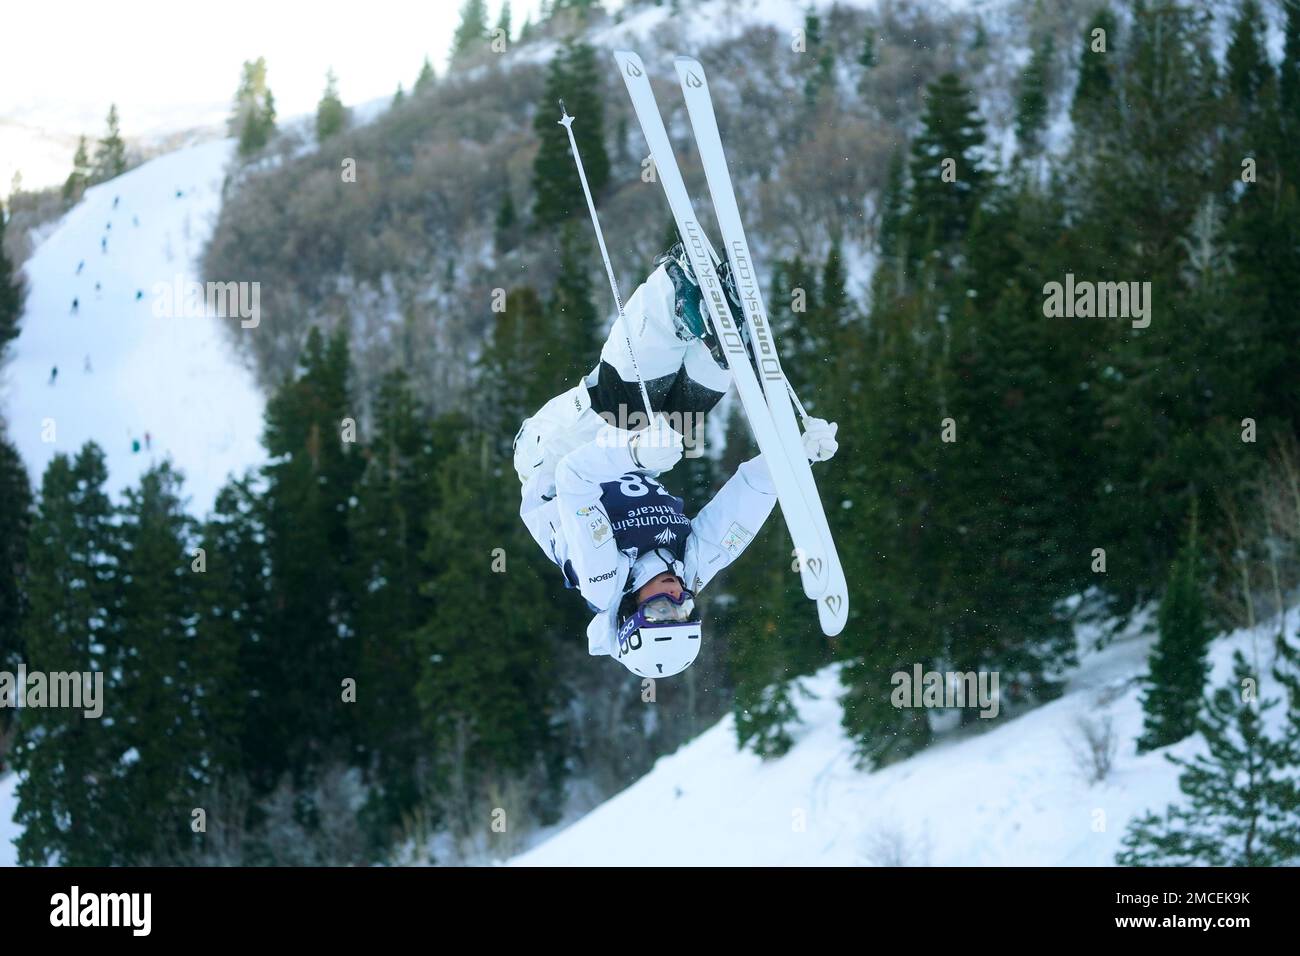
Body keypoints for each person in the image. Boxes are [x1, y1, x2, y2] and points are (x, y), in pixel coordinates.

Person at [515, 244, 839, 678]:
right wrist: (797, 457)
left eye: (662, 613)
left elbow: (573, 477)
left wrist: (634, 452)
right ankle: (717, 336)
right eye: (686, 612)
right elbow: (749, 492)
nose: (676, 599)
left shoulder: (602, 579)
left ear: (631, 612)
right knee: (685, 415)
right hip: (628, 458)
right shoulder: (690, 567)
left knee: (626, 410)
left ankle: (673, 289)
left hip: (552, 454)